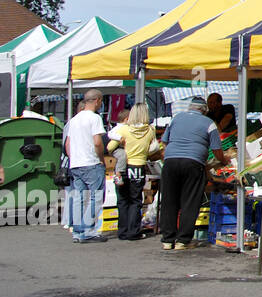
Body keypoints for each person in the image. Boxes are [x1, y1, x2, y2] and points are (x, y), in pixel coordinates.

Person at [159, 97, 224, 250]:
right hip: (193, 163)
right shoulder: (209, 123)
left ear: (190, 108)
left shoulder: (176, 118)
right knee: (190, 201)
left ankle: (167, 240)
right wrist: (223, 160)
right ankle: (183, 241)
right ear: (204, 110)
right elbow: (216, 150)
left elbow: (164, 142)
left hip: (170, 162)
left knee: (169, 201)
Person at [109, 103, 159, 241]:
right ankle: (133, 231)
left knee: (123, 200)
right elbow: (153, 148)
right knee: (135, 200)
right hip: (139, 167)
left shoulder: (124, 130)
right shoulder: (150, 130)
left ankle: (122, 231)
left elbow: (110, 147)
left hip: (124, 168)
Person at [64, 90, 108, 244]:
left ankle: (77, 231)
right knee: (96, 197)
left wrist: (74, 158)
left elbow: (68, 144)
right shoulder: (95, 118)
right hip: (91, 162)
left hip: (76, 163)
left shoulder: (74, 120)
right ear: (97, 100)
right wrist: (101, 158)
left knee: (79, 198)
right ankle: (88, 230)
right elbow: (97, 142)